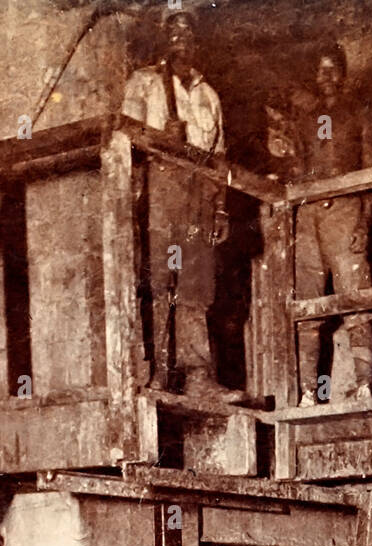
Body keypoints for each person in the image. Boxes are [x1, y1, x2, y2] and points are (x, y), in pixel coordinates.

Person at [122, 10, 228, 394]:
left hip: (198, 193)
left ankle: (197, 375)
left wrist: (220, 207)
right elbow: (125, 141)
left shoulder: (208, 95)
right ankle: (158, 372)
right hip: (161, 188)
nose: (180, 36)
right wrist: (158, 139)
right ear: (162, 37)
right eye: (173, 29)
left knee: (195, 284)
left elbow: (219, 157)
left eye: (187, 30)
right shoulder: (144, 83)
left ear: (196, 40)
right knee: (161, 279)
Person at [266, 45, 372, 406]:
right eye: (321, 71)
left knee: (356, 299)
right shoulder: (305, 118)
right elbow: (292, 168)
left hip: (346, 208)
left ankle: (363, 385)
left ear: (343, 75)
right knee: (308, 304)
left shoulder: (360, 112)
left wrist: (364, 219)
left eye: (333, 70)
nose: (326, 77)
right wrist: (280, 148)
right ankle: (309, 391)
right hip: (309, 214)